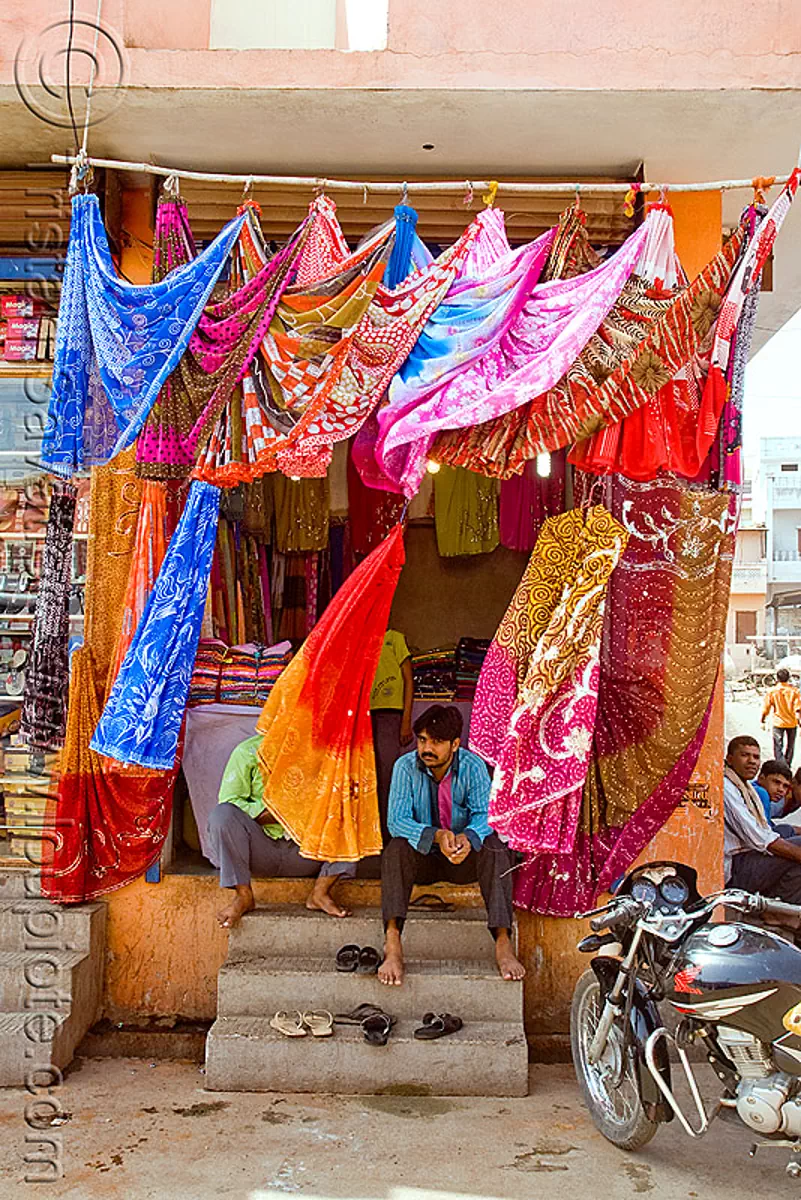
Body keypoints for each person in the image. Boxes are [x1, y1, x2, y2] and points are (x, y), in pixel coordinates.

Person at [378, 704, 525, 986]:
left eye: (436, 741)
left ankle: (503, 941)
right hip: (424, 857)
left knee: (495, 846)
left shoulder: (473, 766)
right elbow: (396, 821)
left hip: (462, 860)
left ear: (455, 744)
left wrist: (467, 839)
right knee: (395, 849)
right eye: (422, 740)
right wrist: (436, 836)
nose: (426, 748)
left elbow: (487, 816)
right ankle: (393, 942)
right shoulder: (405, 767)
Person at [207, 735, 356, 928]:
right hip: (260, 850)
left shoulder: (322, 754)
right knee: (222, 816)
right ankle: (243, 895)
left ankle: (320, 892)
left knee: (353, 808)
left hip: (305, 853)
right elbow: (230, 801)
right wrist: (275, 813)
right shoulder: (248, 751)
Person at [724, 735, 801, 904]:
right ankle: (779, 909)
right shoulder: (727, 787)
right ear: (730, 759)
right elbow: (760, 838)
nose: (752, 761)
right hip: (736, 867)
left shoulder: (745, 786)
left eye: (756, 757)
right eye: (745, 755)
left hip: (748, 857)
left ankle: (781, 906)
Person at [370, 628, 415, 843]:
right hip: (364, 715)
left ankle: (388, 834)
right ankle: (370, 832)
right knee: (368, 775)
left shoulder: (395, 638)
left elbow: (409, 680)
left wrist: (406, 721)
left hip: (390, 714)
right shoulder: (363, 639)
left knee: (388, 774)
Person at [762, 668, 801, 766]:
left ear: (777, 678)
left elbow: (766, 708)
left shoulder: (772, 691)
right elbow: (798, 709)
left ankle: (780, 764)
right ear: (788, 678)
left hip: (778, 722)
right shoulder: (794, 692)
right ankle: (787, 764)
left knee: (777, 745)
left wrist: (762, 720)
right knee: (790, 745)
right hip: (792, 722)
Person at [754, 759, 798, 836]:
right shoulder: (761, 793)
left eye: (785, 786)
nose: (781, 790)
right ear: (761, 778)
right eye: (776, 782)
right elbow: (765, 832)